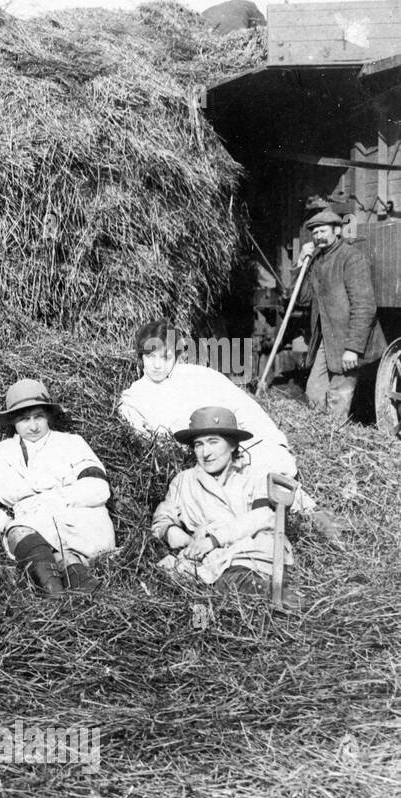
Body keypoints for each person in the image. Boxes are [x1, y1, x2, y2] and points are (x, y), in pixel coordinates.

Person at [117, 320, 342, 540]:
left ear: (176, 356)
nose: (157, 365)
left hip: (225, 448)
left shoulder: (196, 377)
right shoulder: (134, 397)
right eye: (150, 357)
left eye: (165, 357)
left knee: (261, 469)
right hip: (190, 461)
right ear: (140, 358)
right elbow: (144, 438)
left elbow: (240, 408)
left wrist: (246, 444)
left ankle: (312, 515)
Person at [0, 379, 115, 597]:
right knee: (21, 533)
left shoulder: (71, 443)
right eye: (24, 419)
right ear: (12, 421)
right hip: (31, 526)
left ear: (48, 415)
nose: (34, 426)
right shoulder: (0, 453)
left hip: (80, 520)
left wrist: (55, 500)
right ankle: (56, 590)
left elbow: (98, 487)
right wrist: (6, 524)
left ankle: (80, 582)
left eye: (38, 416)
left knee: (63, 549)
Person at [152, 406, 297, 603]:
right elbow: (162, 518)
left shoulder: (254, 475)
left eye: (213, 442)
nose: (206, 453)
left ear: (232, 445)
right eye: (198, 444)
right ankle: (252, 590)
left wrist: (215, 539)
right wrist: (174, 534)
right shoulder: (184, 481)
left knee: (265, 546)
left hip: (251, 546)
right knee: (204, 569)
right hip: (209, 555)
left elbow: (264, 516)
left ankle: (259, 589)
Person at [297, 208, 378, 423]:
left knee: (337, 398)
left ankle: (335, 443)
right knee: (314, 393)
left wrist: (353, 348)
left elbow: (364, 306)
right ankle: (322, 441)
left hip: (350, 338)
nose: (318, 237)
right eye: (314, 233)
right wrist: (301, 263)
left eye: (323, 231)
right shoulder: (317, 261)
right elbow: (303, 299)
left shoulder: (351, 258)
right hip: (328, 338)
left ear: (337, 231)